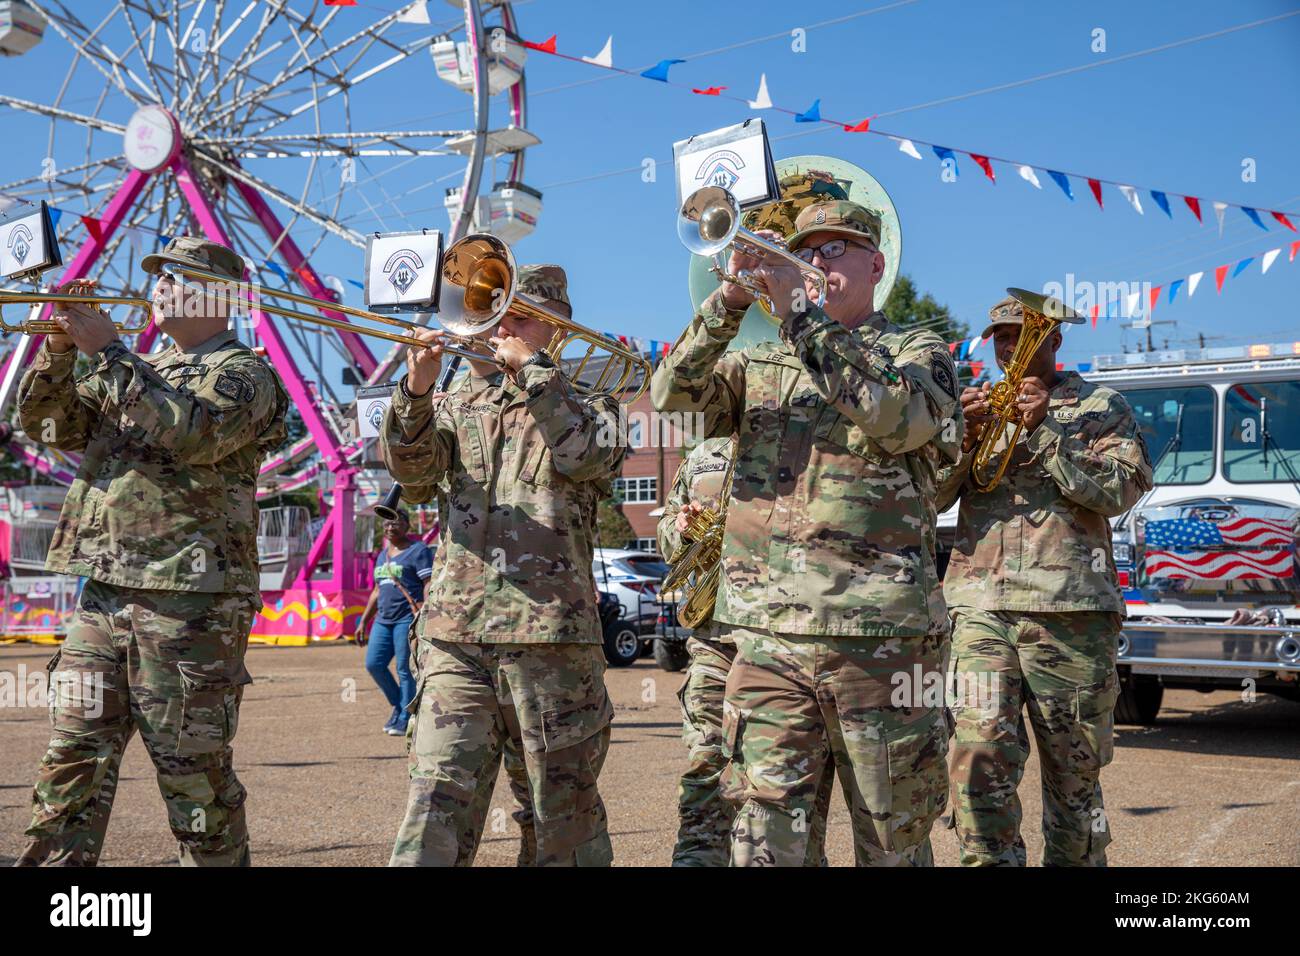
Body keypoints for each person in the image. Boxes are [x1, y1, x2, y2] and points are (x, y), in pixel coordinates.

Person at [652, 200, 963, 867]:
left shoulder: (918, 354)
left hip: (879, 645)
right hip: (766, 642)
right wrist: (729, 302)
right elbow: (671, 395)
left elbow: (896, 418)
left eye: (832, 250)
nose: (815, 262)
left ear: (876, 264)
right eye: (805, 251)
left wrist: (800, 313)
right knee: (764, 844)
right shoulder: (762, 364)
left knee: (892, 844)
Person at [14, 236, 288, 866]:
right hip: (104, 592)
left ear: (220, 295)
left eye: (177, 276)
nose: (159, 286)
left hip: (190, 604)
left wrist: (108, 351)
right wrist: (58, 354)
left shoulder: (244, 373)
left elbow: (190, 433)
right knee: (70, 764)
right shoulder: (135, 367)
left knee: (194, 779)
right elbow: (51, 427)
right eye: (158, 275)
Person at [382, 263, 626, 867]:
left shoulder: (594, 400)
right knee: (433, 806)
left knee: (558, 823)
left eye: (520, 315)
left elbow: (587, 454)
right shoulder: (452, 400)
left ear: (557, 328)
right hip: (454, 637)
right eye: (493, 309)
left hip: (551, 644)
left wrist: (535, 376)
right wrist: (414, 390)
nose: (500, 324)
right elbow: (411, 480)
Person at [937, 293, 1152, 866]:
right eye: (1001, 337)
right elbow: (929, 497)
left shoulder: (1101, 406)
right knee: (978, 757)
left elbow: (1120, 492)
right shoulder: (979, 407)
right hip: (980, 606)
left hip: (1071, 614)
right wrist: (959, 439)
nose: (1010, 346)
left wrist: (1046, 433)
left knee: (1074, 777)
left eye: (1021, 334)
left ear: (1055, 340)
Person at [659, 435, 835, 866]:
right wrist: (680, 528)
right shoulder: (703, 455)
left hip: (787, 645)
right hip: (716, 643)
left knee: (787, 797)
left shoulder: (806, 437)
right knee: (705, 772)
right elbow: (666, 531)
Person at [353, 506, 433, 735]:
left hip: (406, 618)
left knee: (404, 669)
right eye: (386, 523)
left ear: (407, 525)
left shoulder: (419, 551)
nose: (390, 526)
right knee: (374, 664)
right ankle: (399, 706)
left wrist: (425, 611)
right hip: (383, 620)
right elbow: (377, 591)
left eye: (395, 522)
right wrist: (363, 622)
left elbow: (428, 582)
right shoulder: (382, 555)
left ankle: (405, 716)